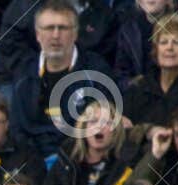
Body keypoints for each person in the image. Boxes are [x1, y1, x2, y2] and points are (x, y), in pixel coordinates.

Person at [10, 0, 112, 159]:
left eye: (63, 28)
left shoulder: (96, 71)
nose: (56, 35)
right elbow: (18, 130)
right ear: (38, 34)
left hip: (79, 159)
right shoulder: (24, 72)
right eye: (49, 28)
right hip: (32, 160)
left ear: (75, 33)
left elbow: (100, 127)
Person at [122, 12, 178, 129]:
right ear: (156, 49)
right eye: (164, 42)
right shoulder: (139, 88)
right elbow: (125, 129)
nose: (169, 47)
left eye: (177, 42)